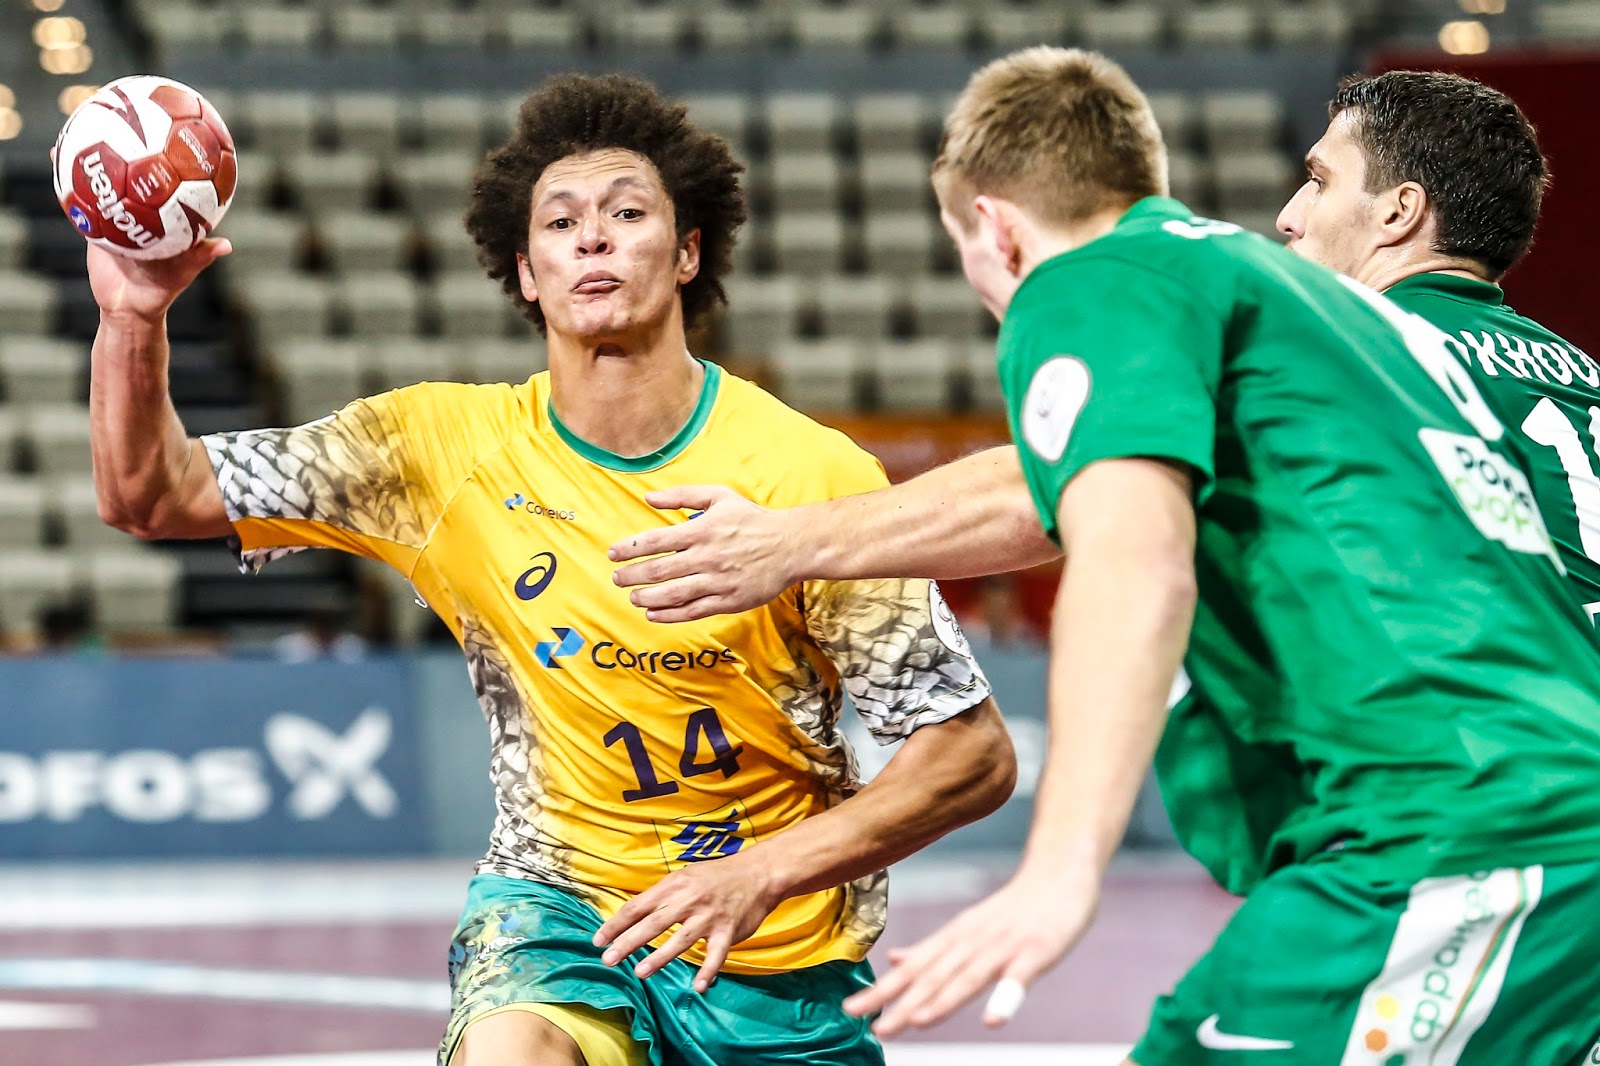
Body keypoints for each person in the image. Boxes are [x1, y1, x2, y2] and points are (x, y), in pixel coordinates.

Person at [608, 48, 1600, 1062]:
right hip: (1519, 805)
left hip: (1451, 826)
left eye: (1314, 177)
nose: (1291, 211)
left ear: (992, 227)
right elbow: (1052, 486)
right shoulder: (1289, 296)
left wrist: (1059, 866)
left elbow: (1131, 554)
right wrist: (787, 541)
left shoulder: (1092, 279)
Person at [85, 73, 1015, 1066]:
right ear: (526, 270)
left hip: (775, 960)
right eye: (562, 222)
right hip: (558, 915)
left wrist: (761, 872)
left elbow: (970, 756)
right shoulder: (433, 452)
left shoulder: (810, 474)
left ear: (687, 251)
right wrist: (137, 317)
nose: (593, 237)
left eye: (627, 212)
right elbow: (154, 493)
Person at [1278, 69, 1600, 622]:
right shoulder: (1583, 371)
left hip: (1507, 700)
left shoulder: (1351, 354)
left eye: (1321, 182)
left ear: (1398, 211)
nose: (1290, 217)